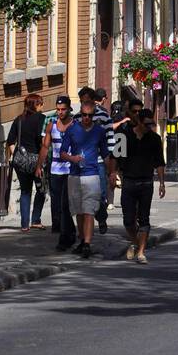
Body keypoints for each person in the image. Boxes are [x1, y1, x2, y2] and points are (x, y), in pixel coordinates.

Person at [59, 94, 116, 258]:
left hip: (91, 175)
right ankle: (82, 238)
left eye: (89, 115)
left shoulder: (99, 132)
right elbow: (62, 152)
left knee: (89, 210)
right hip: (75, 175)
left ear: (93, 115)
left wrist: (111, 172)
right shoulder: (72, 129)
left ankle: (87, 244)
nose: (86, 118)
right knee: (79, 211)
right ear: (80, 114)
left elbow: (106, 155)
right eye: (84, 115)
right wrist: (72, 158)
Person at [118, 108, 166, 263]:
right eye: (146, 124)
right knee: (128, 220)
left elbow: (159, 162)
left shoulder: (155, 139)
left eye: (151, 124)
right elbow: (115, 157)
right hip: (129, 182)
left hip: (146, 182)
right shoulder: (125, 136)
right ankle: (135, 242)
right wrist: (113, 173)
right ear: (139, 121)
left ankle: (141, 252)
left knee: (144, 219)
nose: (149, 127)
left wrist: (162, 183)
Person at [38, 95, 75, 250]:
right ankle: (64, 229)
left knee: (66, 204)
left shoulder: (75, 125)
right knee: (57, 201)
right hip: (55, 169)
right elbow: (45, 147)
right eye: (58, 109)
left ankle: (65, 236)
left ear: (69, 109)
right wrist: (39, 165)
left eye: (63, 109)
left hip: (71, 169)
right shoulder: (51, 125)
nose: (60, 112)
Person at [6, 95, 46, 231]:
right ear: (35, 105)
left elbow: (10, 141)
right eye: (41, 104)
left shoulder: (19, 120)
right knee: (41, 190)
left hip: (21, 162)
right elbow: (43, 142)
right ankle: (35, 219)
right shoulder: (41, 119)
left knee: (25, 191)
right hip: (37, 160)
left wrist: (17, 154)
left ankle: (24, 224)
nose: (42, 106)